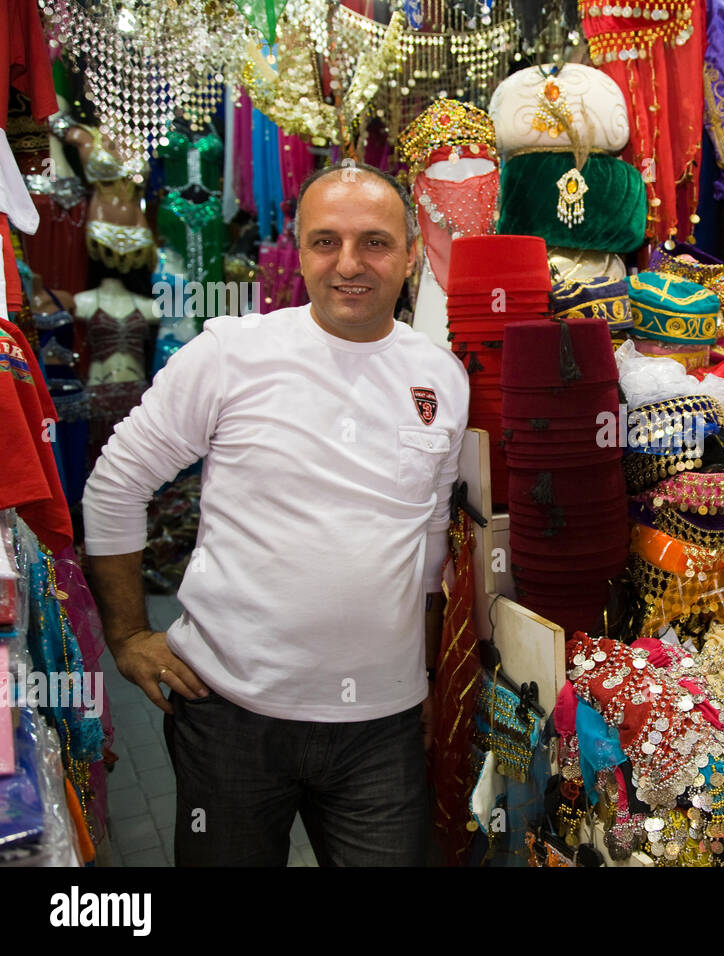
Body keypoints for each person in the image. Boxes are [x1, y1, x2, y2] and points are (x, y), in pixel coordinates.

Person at [82, 162, 469, 866]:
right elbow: (114, 484)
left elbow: (430, 542)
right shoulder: (233, 354)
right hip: (230, 715)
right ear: (299, 250)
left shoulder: (441, 375)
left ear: (412, 254)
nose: (349, 264)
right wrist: (131, 634)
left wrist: (431, 682)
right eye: (326, 242)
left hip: (380, 728)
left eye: (375, 243)